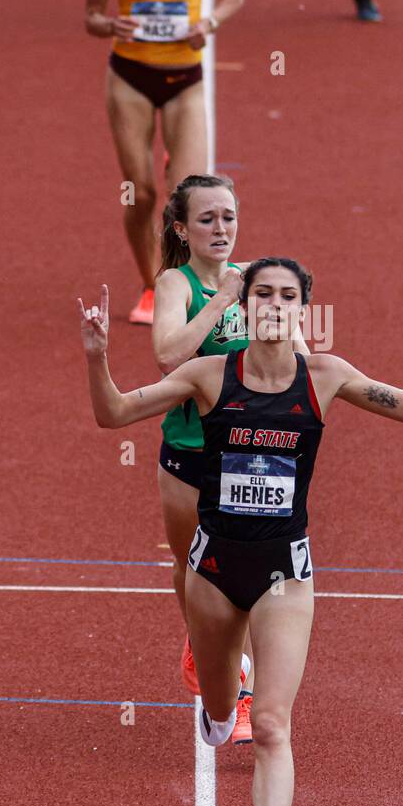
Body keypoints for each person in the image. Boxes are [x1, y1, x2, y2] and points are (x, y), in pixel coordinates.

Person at [79, 263, 403, 806]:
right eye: (261, 292)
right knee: (220, 718)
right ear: (244, 304)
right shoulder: (211, 376)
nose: (273, 304)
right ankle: (216, 707)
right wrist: (97, 358)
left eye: (286, 296)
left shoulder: (324, 376)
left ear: (303, 308)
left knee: (269, 724)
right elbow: (114, 414)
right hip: (211, 577)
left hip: (284, 577)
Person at [153, 174, 310, 743]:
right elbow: (168, 356)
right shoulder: (178, 283)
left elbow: (299, 354)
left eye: (228, 217)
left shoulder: (258, 283)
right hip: (190, 453)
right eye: (206, 219)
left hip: (246, 455)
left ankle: (240, 695)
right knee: (190, 565)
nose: (220, 229)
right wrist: (222, 299)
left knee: (238, 572)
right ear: (181, 228)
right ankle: (203, 645)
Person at [84, 0, 243, 324]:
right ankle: (151, 284)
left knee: (190, 193)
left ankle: (185, 288)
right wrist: (112, 25)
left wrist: (208, 24)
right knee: (140, 191)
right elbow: (91, 15)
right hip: (130, 76)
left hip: (184, 78)